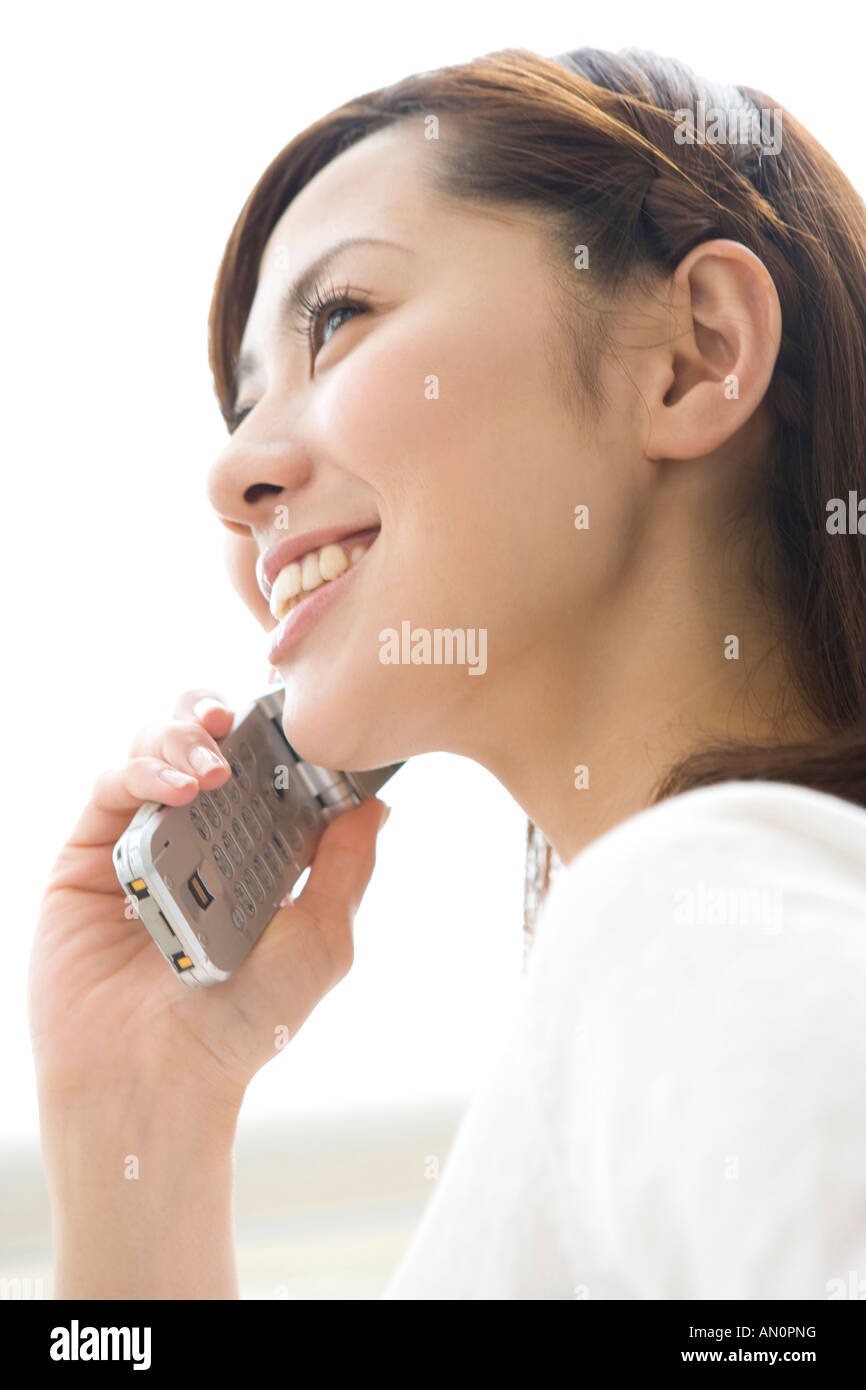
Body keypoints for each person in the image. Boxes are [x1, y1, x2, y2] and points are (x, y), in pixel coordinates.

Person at [30, 44, 866, 1299]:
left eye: (341, 320)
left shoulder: (677, 917)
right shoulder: (668, 969)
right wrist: (136, 1130)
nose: (229, 481)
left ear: (693, 351)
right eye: (240, 408)